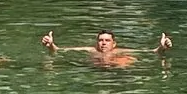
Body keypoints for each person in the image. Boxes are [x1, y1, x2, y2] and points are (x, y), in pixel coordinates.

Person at [40, 28, 173, 69]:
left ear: (114, 44)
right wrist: (51, 45)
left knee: (128, 61)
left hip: (116, 71)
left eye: (107, 41)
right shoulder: (90, 50)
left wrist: (162, 47)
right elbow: (60, 50)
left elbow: (151, 52)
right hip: (94, 70)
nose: (103, 43)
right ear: (96, 43)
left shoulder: (120, 51)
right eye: (101, 40)